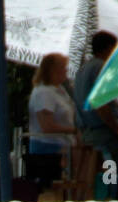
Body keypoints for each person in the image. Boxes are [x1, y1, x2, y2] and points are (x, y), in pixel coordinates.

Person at [74, 31, 118, 199]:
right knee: (110, 166)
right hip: (104, 133)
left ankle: (102, 196)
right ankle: (109, 197)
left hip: (88, 131)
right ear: (108, 48)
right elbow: (101, 104)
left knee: (101, 168)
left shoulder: (83, 70)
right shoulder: (99, 68)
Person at [27, 53, 77, 186]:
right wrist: (74, 130)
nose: (66, 70)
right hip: (49, 150)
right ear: (54, 70)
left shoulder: (60, 90)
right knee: (55, 187)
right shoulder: (44, 93)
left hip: (65, 146)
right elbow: (47, 126)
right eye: (64, 67)